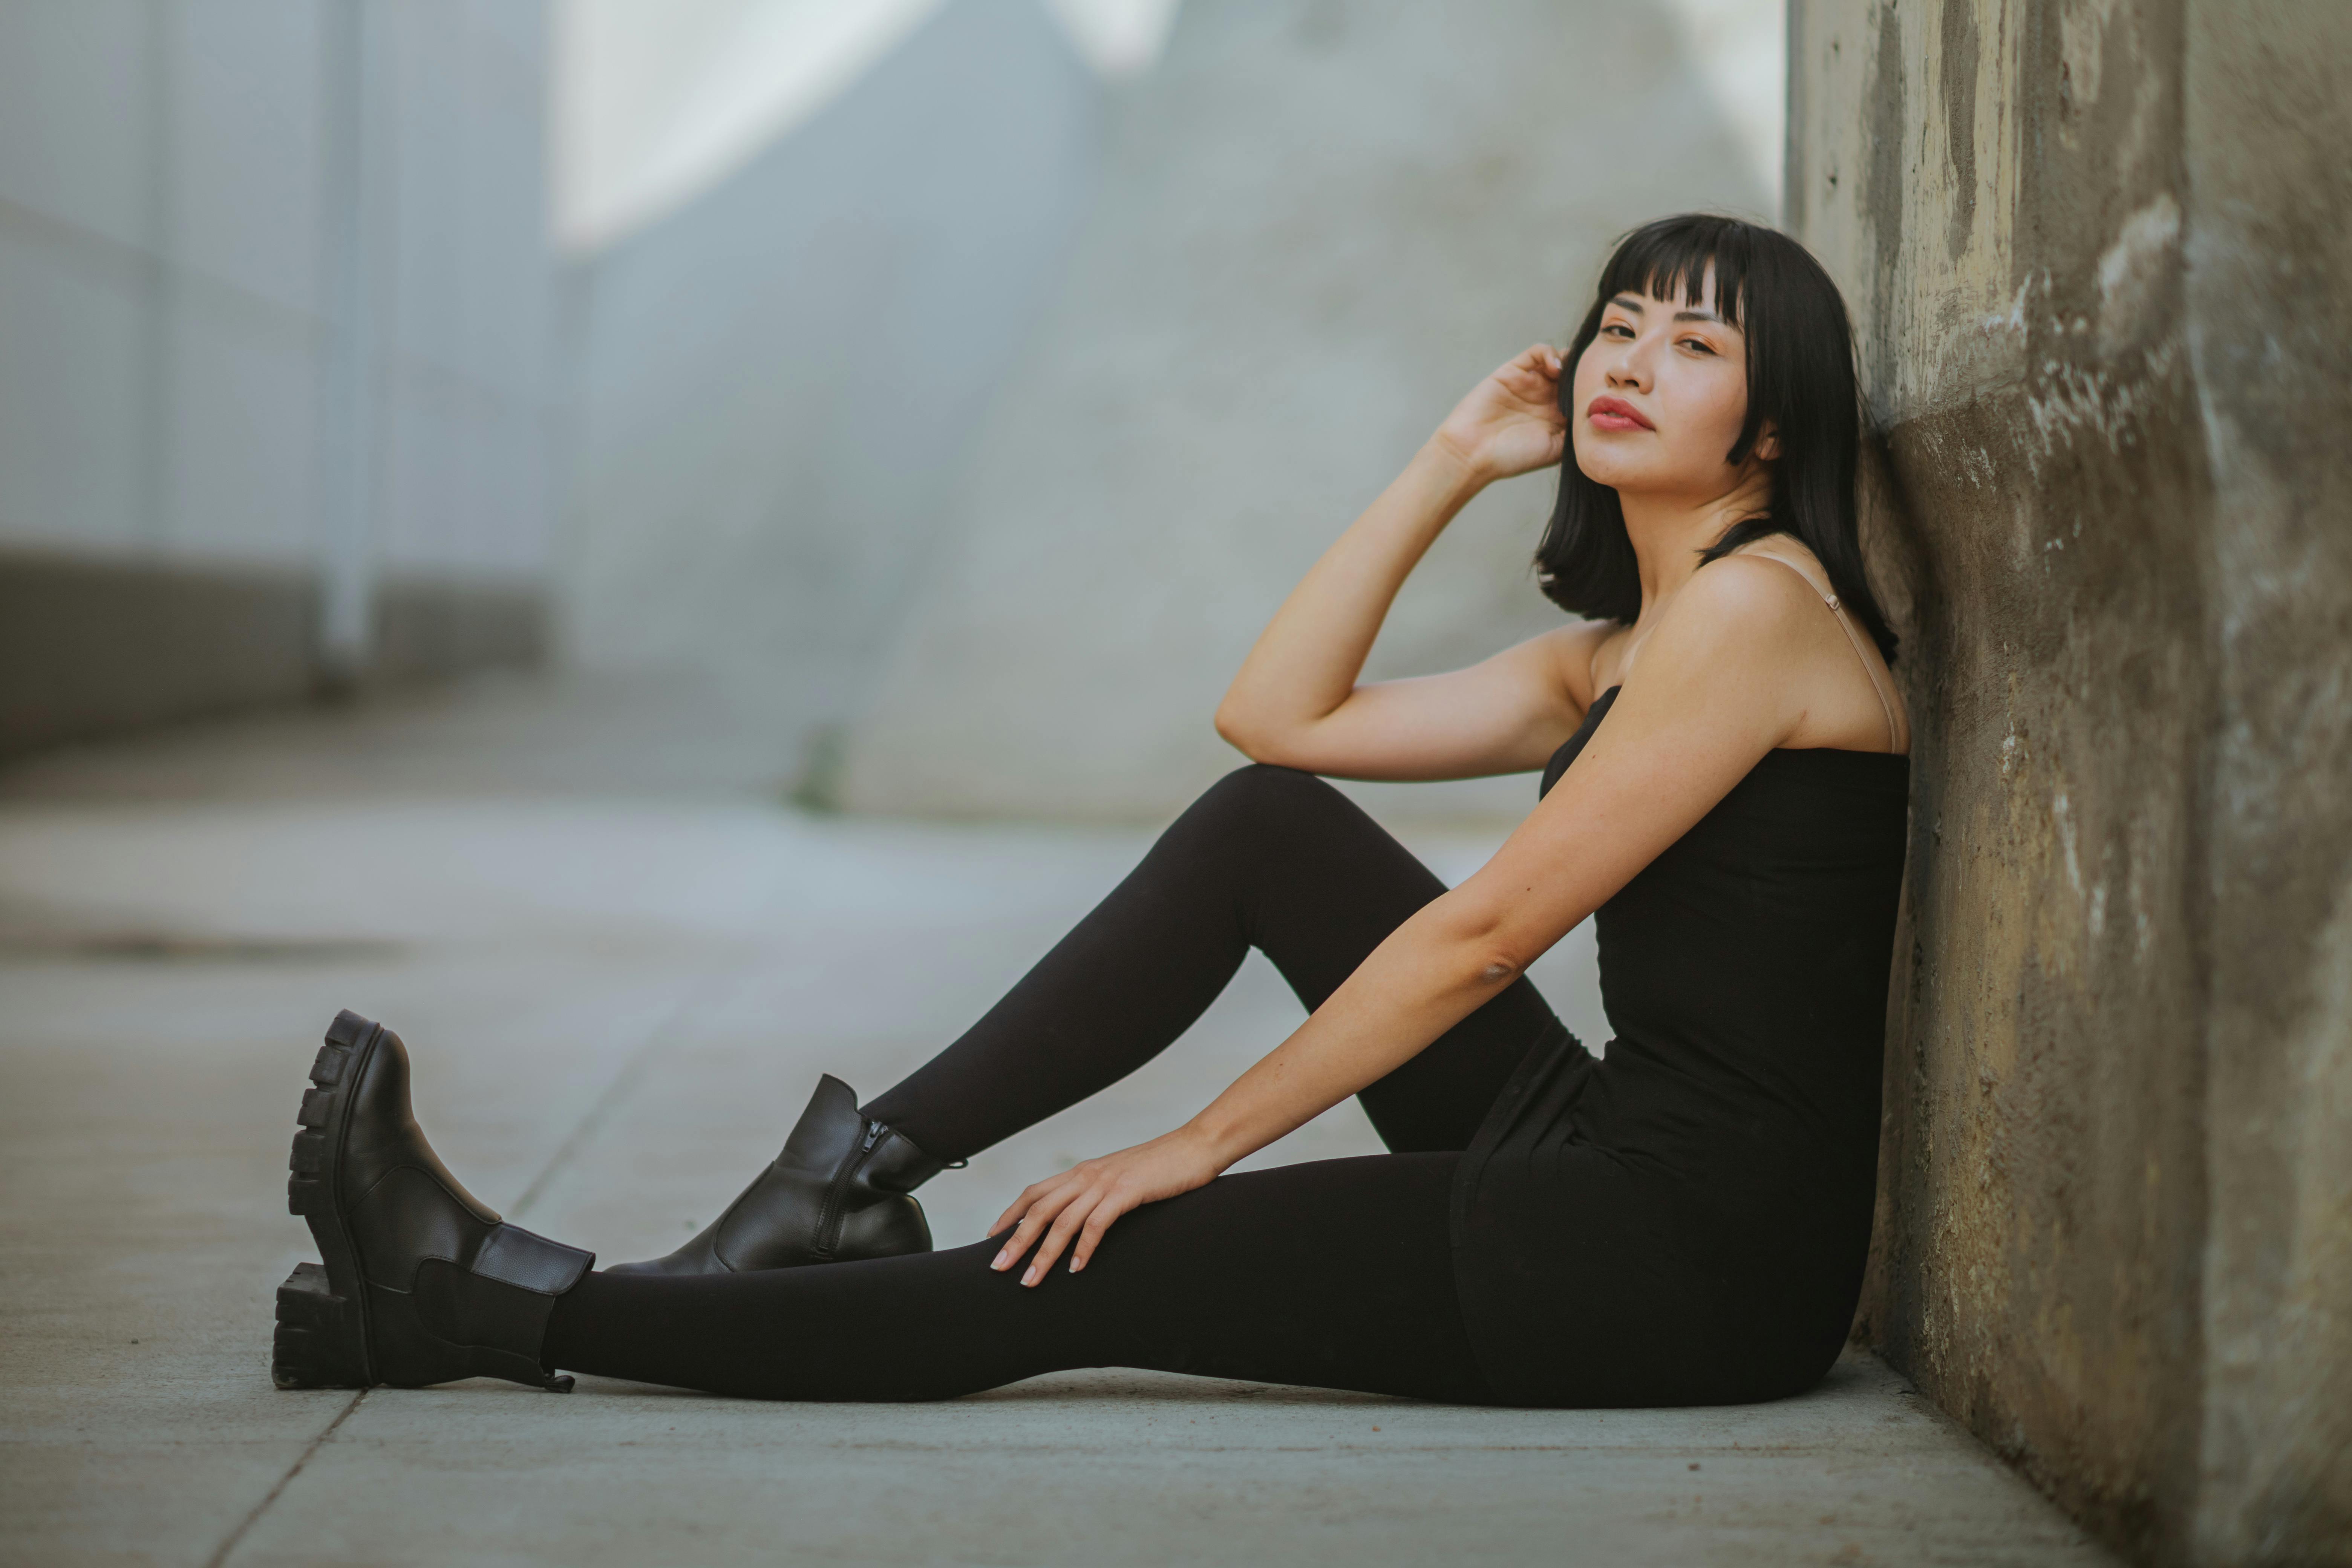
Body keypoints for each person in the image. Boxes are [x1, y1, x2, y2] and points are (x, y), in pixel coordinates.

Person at [272, 213, 1909, 1408]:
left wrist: (1189, 1146)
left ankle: (495, 1304)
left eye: (1694, 344)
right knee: (1271, 820)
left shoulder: (1755, 614)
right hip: (1622, 1154)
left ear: (1770, 428)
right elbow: (1280, 720)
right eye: (1621, 322)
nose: (1630, 359)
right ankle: (851, 1177)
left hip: (1686, 1259)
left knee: (1084, 1264)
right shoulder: (1627, 645)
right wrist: (1447, 459)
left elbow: (1481, 934)